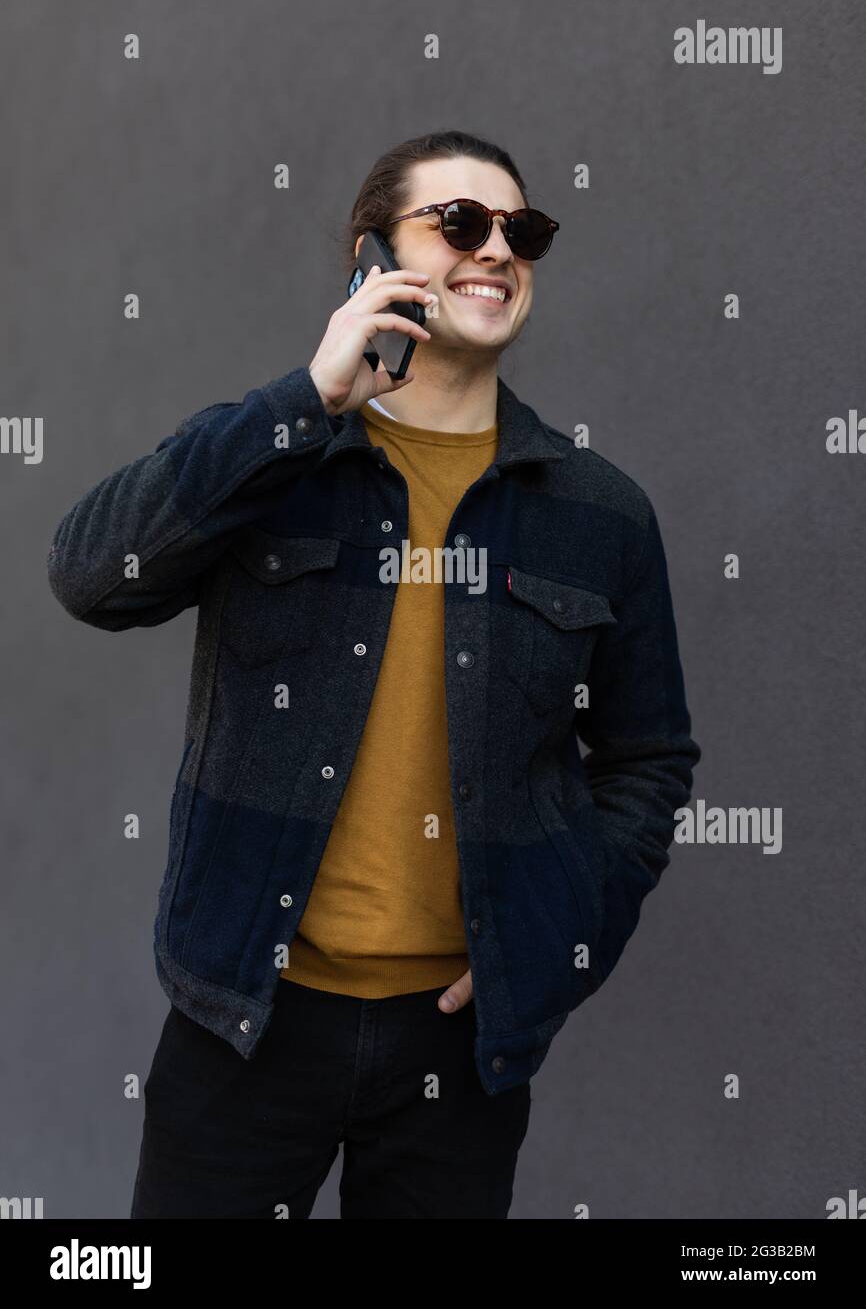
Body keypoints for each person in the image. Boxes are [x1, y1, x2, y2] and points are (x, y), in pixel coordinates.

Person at [47, 128, 701, 1219]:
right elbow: (89, 573)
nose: (496, 249)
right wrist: (305, 396)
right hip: (246, 1020)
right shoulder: (273, 459)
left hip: (457, 1050)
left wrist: (557, 943)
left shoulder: (599, 512)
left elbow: (647, 757)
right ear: (370, 261)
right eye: (458, 223)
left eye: (520, 230)